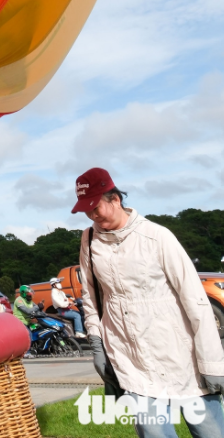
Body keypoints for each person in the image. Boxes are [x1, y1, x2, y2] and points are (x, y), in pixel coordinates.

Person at [74, 167, 224, 438]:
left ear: (115, 199)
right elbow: (91, 297)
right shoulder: (89, 241)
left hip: (181, 357)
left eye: (96, 207)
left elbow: (196, 300)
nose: (92, 215)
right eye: (87, 210)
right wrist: (96, 342)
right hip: (132, 362)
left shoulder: (157, 237)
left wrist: (213, 364)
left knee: (211, 432)